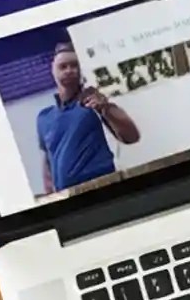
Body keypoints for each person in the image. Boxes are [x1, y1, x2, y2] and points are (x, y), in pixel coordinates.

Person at [37, 42, 141, 193]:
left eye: (74, 66)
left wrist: (105, 108)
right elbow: (48, 163)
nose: (69, 70)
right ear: (53, 70)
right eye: (63, 66)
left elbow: (132, 137)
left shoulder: (94, 102)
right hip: (68, 195)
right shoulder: (44, 117)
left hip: (103, 187)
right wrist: (51, 197)